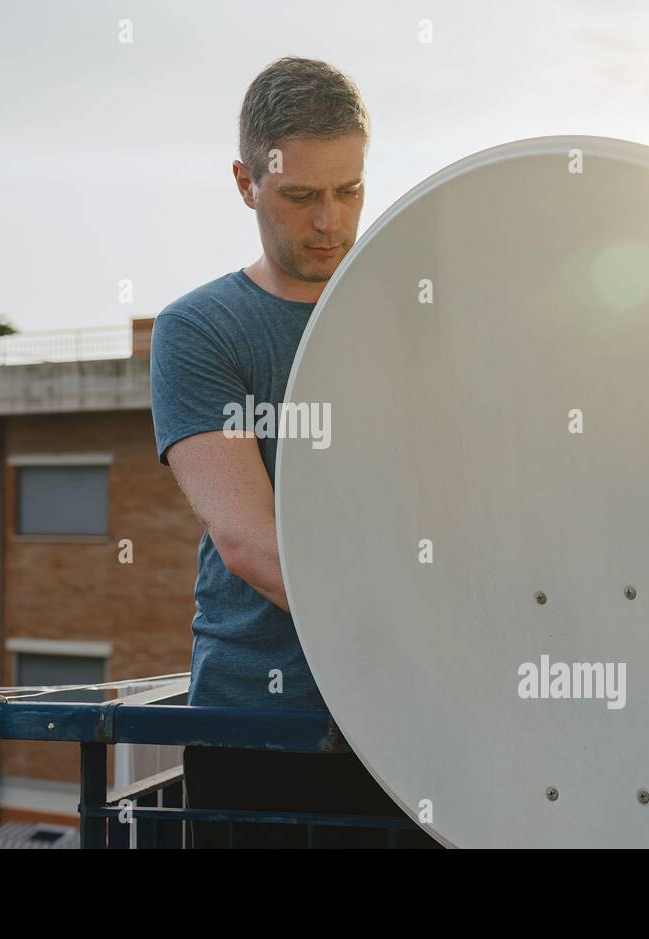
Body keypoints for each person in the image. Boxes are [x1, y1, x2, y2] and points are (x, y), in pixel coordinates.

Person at [150, 56, 438, 849]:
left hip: (421, 726)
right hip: (261, 731)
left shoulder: (419, 316)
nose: (329, 222)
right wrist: (429, 620)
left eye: (350, 190)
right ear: (246, 182)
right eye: (301, 196)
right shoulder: (201, 330)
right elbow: (251, 544)